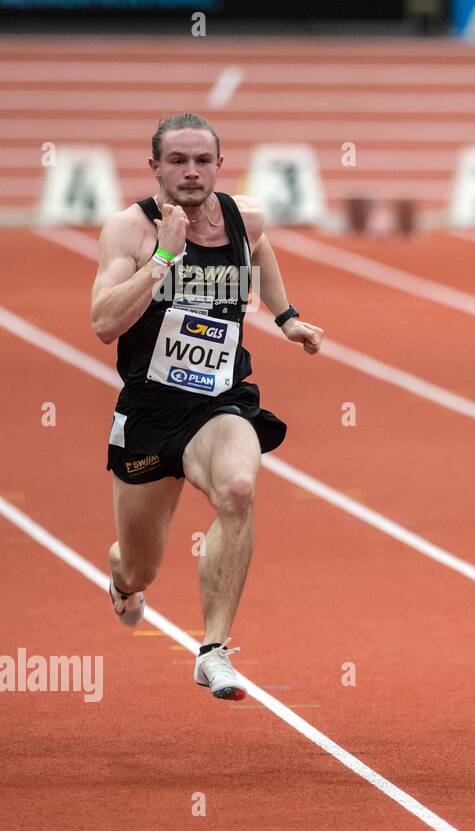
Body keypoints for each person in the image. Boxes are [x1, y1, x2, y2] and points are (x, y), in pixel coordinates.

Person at [91, 113, 323, 701]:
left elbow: (261, 250)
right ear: (155, 169)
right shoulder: (131, 230)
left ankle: (214, 650)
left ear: (220, 165)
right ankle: (123, 577)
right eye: (177, 162)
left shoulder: (245, 217)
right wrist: (163, 261)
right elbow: (102, 323)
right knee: (140, 564)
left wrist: (287, 316)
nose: (191, 173)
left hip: (220, 399)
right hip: (149, 412)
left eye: (202, 161)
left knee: (239, 489)